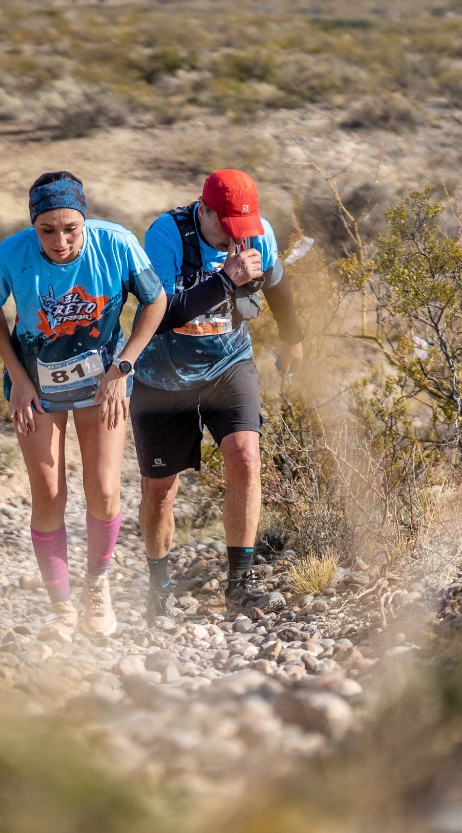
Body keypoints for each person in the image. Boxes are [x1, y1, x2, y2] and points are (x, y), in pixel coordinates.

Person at [0, 171, 167, 639]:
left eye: (70, 229)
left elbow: (155, 300)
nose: (60, 241)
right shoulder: (9, 256)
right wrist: (18, 378)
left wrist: (124, 367)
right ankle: (61, 607)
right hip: (37, 388)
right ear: (33, 226)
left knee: (103, 490)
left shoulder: (117, 244)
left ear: (85, 221)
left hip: (103, 384)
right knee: (48, 493)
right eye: (47, 230)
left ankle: (95, 588)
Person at [130, 169, 304, 620]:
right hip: (162, 377)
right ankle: (159, 586)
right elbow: (161, 315)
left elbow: (277, 281)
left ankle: (240, 586)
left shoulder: (257, 233)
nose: (236, 236)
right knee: (160, 490)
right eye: (225, 226)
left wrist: (293, 336)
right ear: (203, 209)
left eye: (242, 227)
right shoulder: (166, 236)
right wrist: (224, 280)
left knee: (246, 456)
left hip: (228, 363)